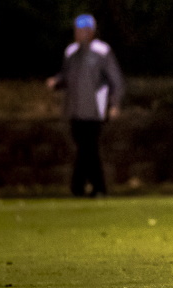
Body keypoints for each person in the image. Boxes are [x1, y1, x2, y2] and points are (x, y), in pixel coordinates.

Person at [46, 14, 125, 198]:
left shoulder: (102, 51)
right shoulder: (71, 51)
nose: (79, 33)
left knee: (88, 147)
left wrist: (114, 104)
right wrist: (56, 82)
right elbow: (66, 76)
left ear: (91, 31)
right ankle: (90, 187)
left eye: (83, 30)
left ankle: (85, 186)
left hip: (95, 109)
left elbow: (116, 80)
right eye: (77, 30)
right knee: (84, 148)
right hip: (74, 109)